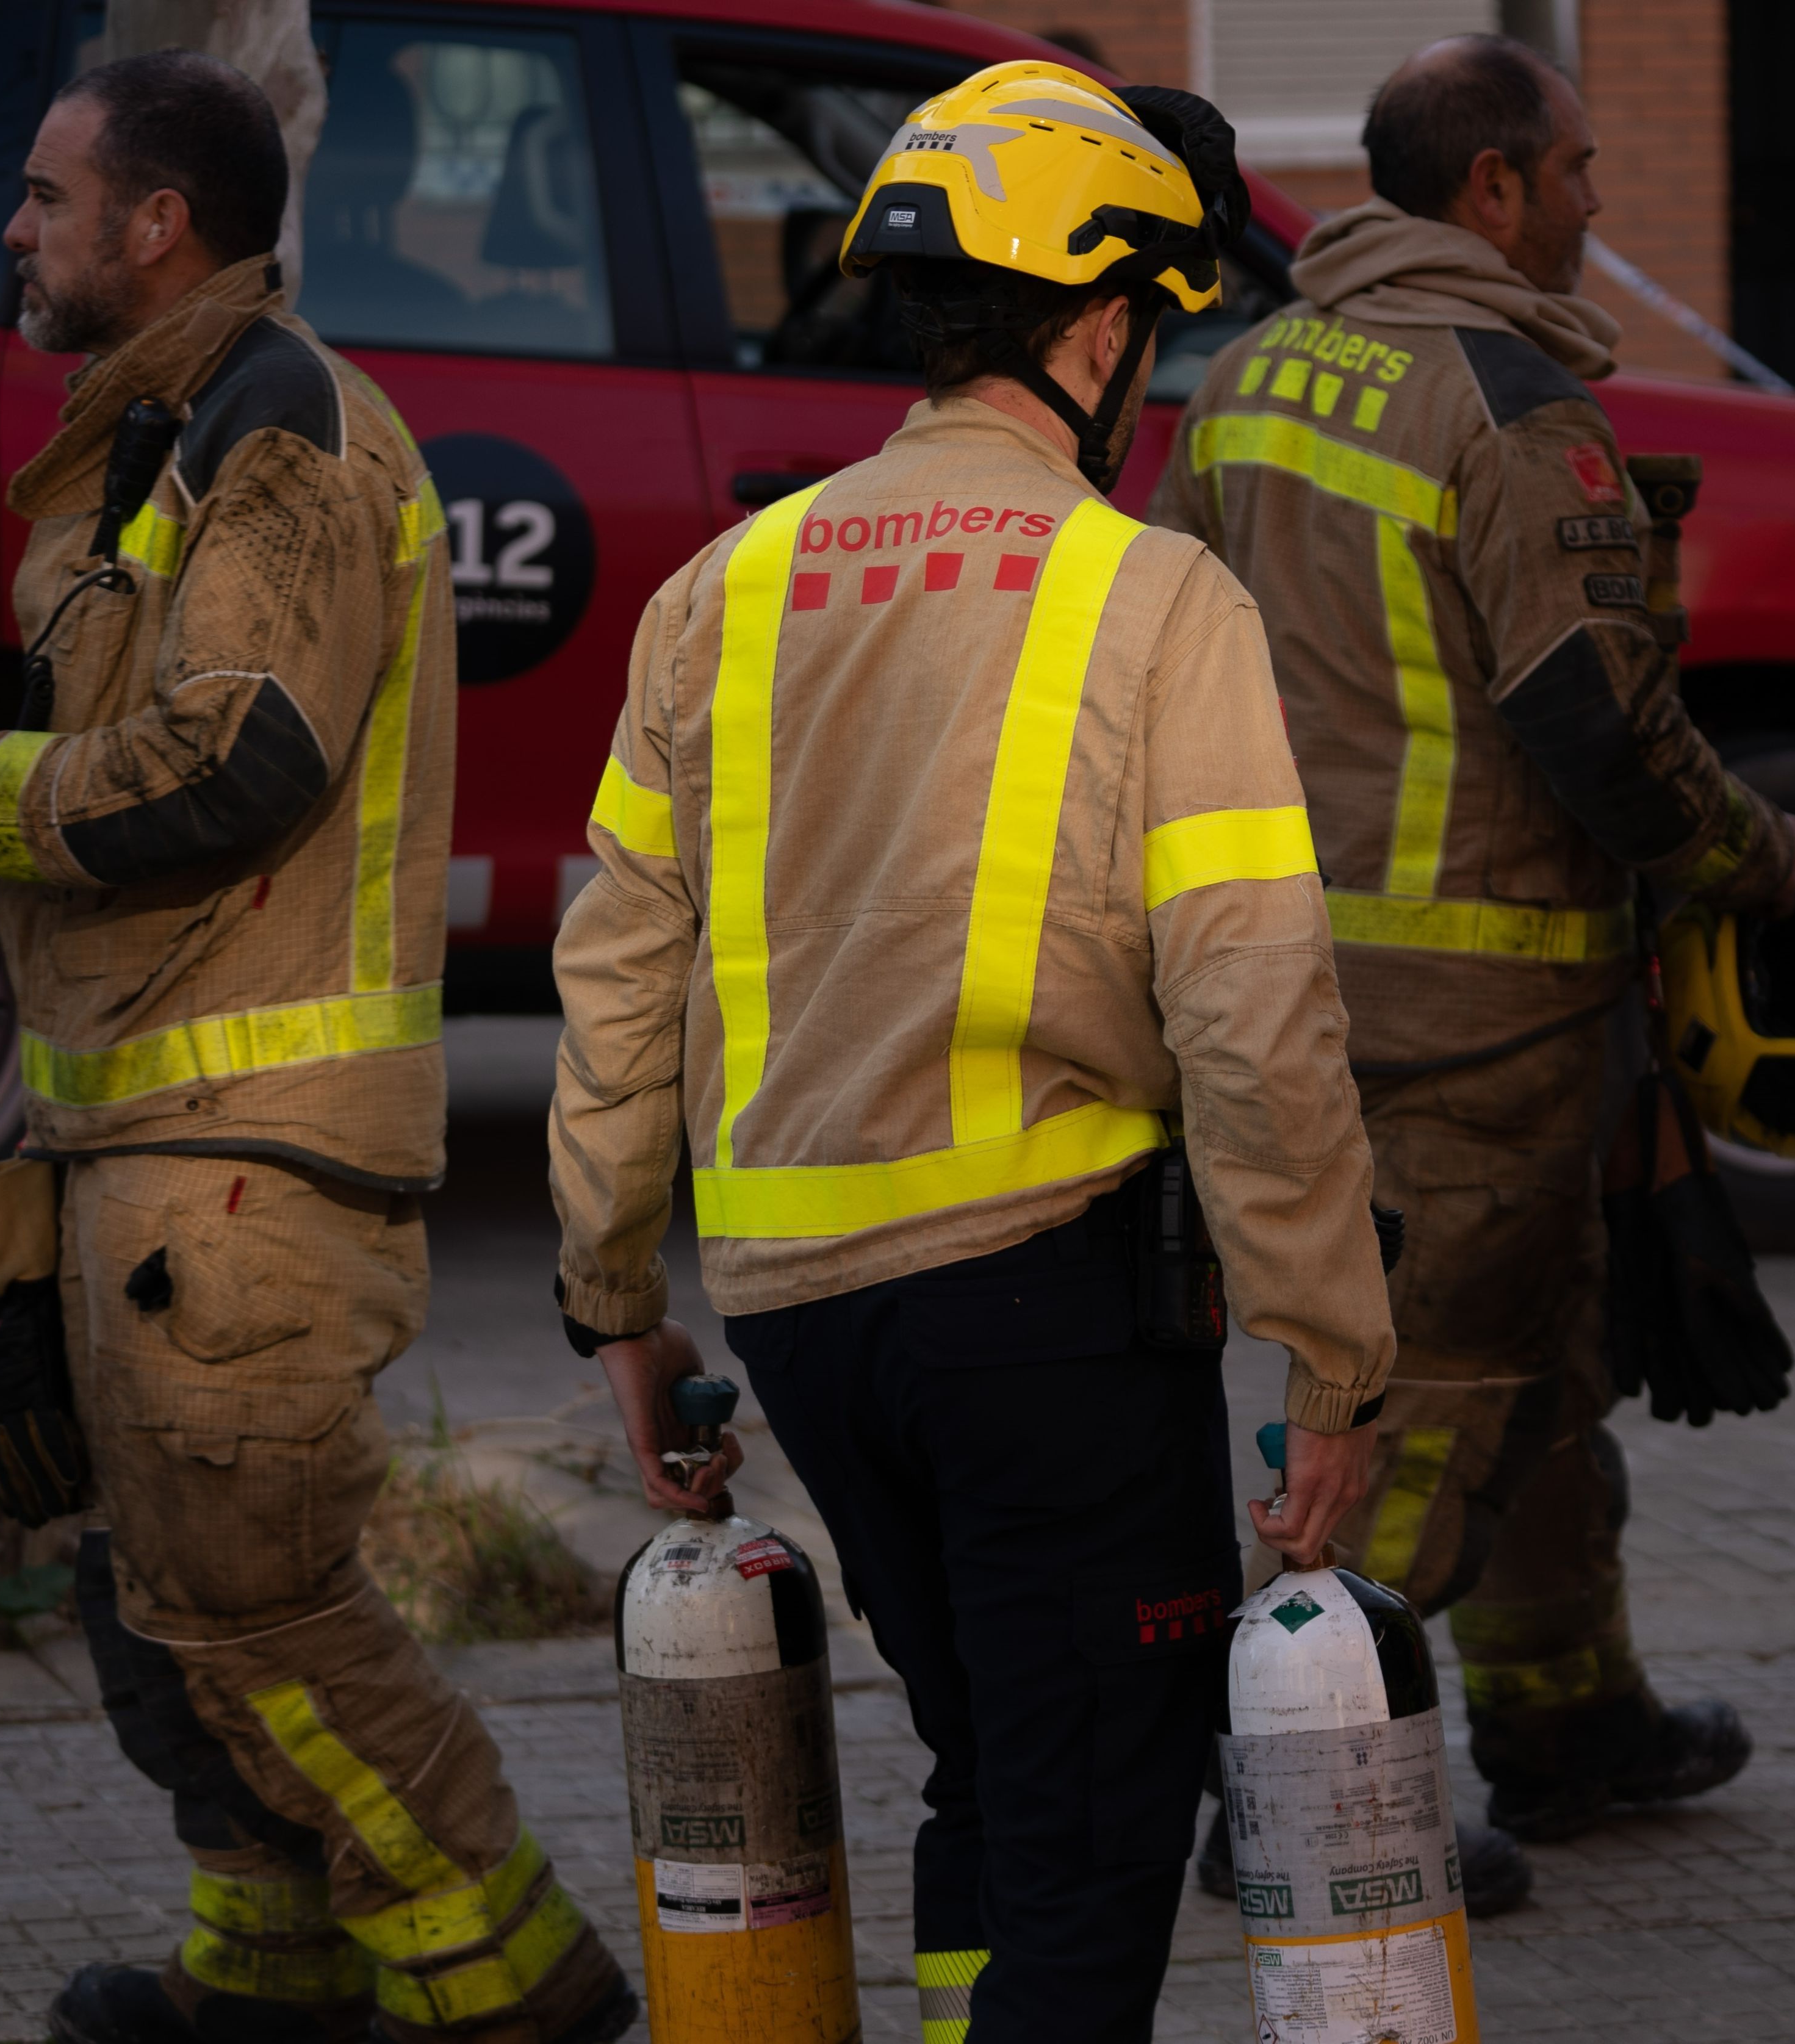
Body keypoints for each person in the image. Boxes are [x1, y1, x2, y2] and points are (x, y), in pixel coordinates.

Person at [542, 62, 1394, 2044]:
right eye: (1149, 334)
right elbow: (1255, 1005)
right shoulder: (1150, 594)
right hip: (1047, 1310)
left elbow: (618, 978)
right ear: (1099, 325)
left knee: (991, 1777)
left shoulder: (721, 594)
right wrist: (1335, 1350)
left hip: (803, 1324)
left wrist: (616, 1306)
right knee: (1097, 1839)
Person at [0, 52, 638, 2044]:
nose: (11, 226)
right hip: (140, 1143)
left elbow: (234, 758)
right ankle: (270, 1968)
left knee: (255, 1610)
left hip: (250, 1158)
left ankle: (503, 1986)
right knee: (145, 1608)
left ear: (156, 222)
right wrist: (26, 1212)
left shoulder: (281, 443)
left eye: (43, 193)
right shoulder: (167, 438)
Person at [1148, 33, 1795, 1851]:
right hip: (1478, 999)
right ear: (1492, 185)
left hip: (1287, 987)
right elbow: (1594, 722)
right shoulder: (1512, 406)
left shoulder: (1251, 377)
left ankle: (1566, 1715)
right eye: (1581, 170)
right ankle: (1281, 1782)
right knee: (1425, 1402)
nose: (1601, 205)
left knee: (1539, 1363)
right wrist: (1767, 859)